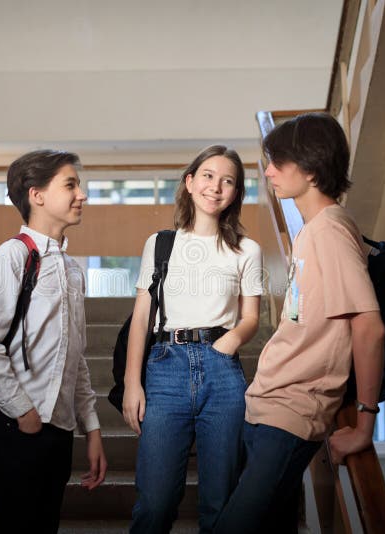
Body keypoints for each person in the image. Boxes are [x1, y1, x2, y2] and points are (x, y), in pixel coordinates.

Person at [214, 113, 385, 533]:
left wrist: (365, 423)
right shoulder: (314, 230)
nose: (268, 171)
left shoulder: (330, 231)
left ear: (310, 169)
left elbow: (369, 327)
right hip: (269, 406)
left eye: (278, 162)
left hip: (291, 415)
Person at [0, 150, 107, 534]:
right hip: (16, 427)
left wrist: (90, 429)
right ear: (36, 194)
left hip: (58, 431)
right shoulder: (9, 257)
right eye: (70, 185)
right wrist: (22, 411)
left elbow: (76, 357)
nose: (82, 195)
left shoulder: (73, 270)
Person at [123, 145, 264, 533]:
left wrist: (229, 343)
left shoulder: (246, 250)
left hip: (223, 373)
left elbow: (251, 317)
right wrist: (132, 384)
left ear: (235, 193)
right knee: (155, 502)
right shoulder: (161, 243)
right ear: (189, 182)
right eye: (207, 176)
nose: (216, 187)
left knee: (220, 502)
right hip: (166, 368)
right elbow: (140, 319)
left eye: (228, 181)